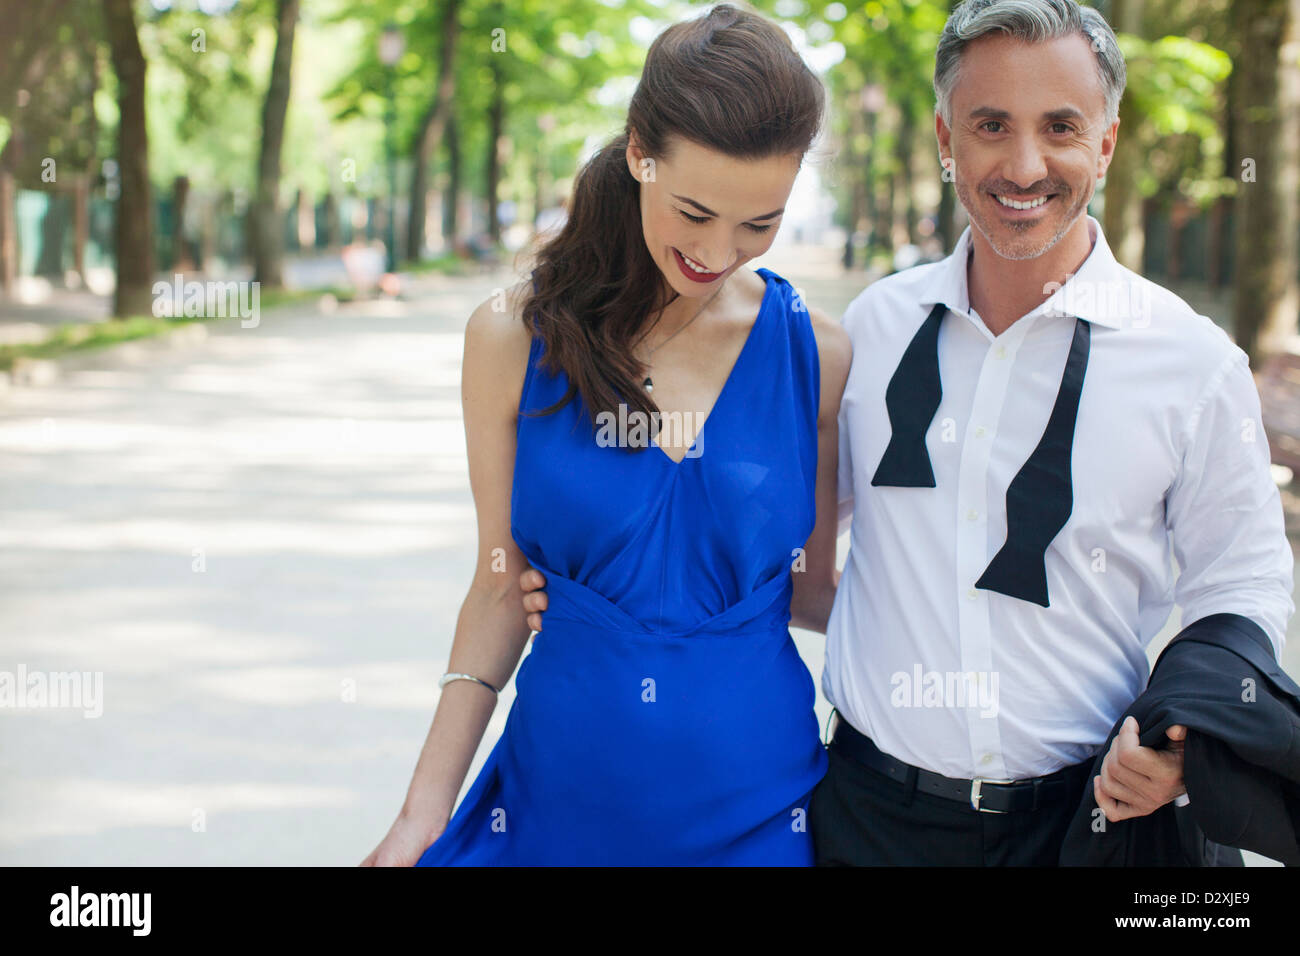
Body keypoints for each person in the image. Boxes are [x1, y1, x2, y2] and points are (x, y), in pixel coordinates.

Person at [522, 0, 1295, 866]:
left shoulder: (1192, 363)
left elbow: (1246, 577)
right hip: (870, 821)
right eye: (991, 125)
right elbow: (770, 524)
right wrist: (604, 595)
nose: (1025, 163)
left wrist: (1188, 741)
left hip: (1095, 825)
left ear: (1106, 143)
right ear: (944, 137)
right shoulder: (871, 331)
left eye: (1062, 127)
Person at [362, 2, 850, 867]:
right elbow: (499, 585)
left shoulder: (816, 352)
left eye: (758, 223)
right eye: (694, 211)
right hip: (553, 814)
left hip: (764, 816)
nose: (719, 251)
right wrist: (419, 812)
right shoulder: (512, 337)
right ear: (639, 152)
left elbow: (814, 593)